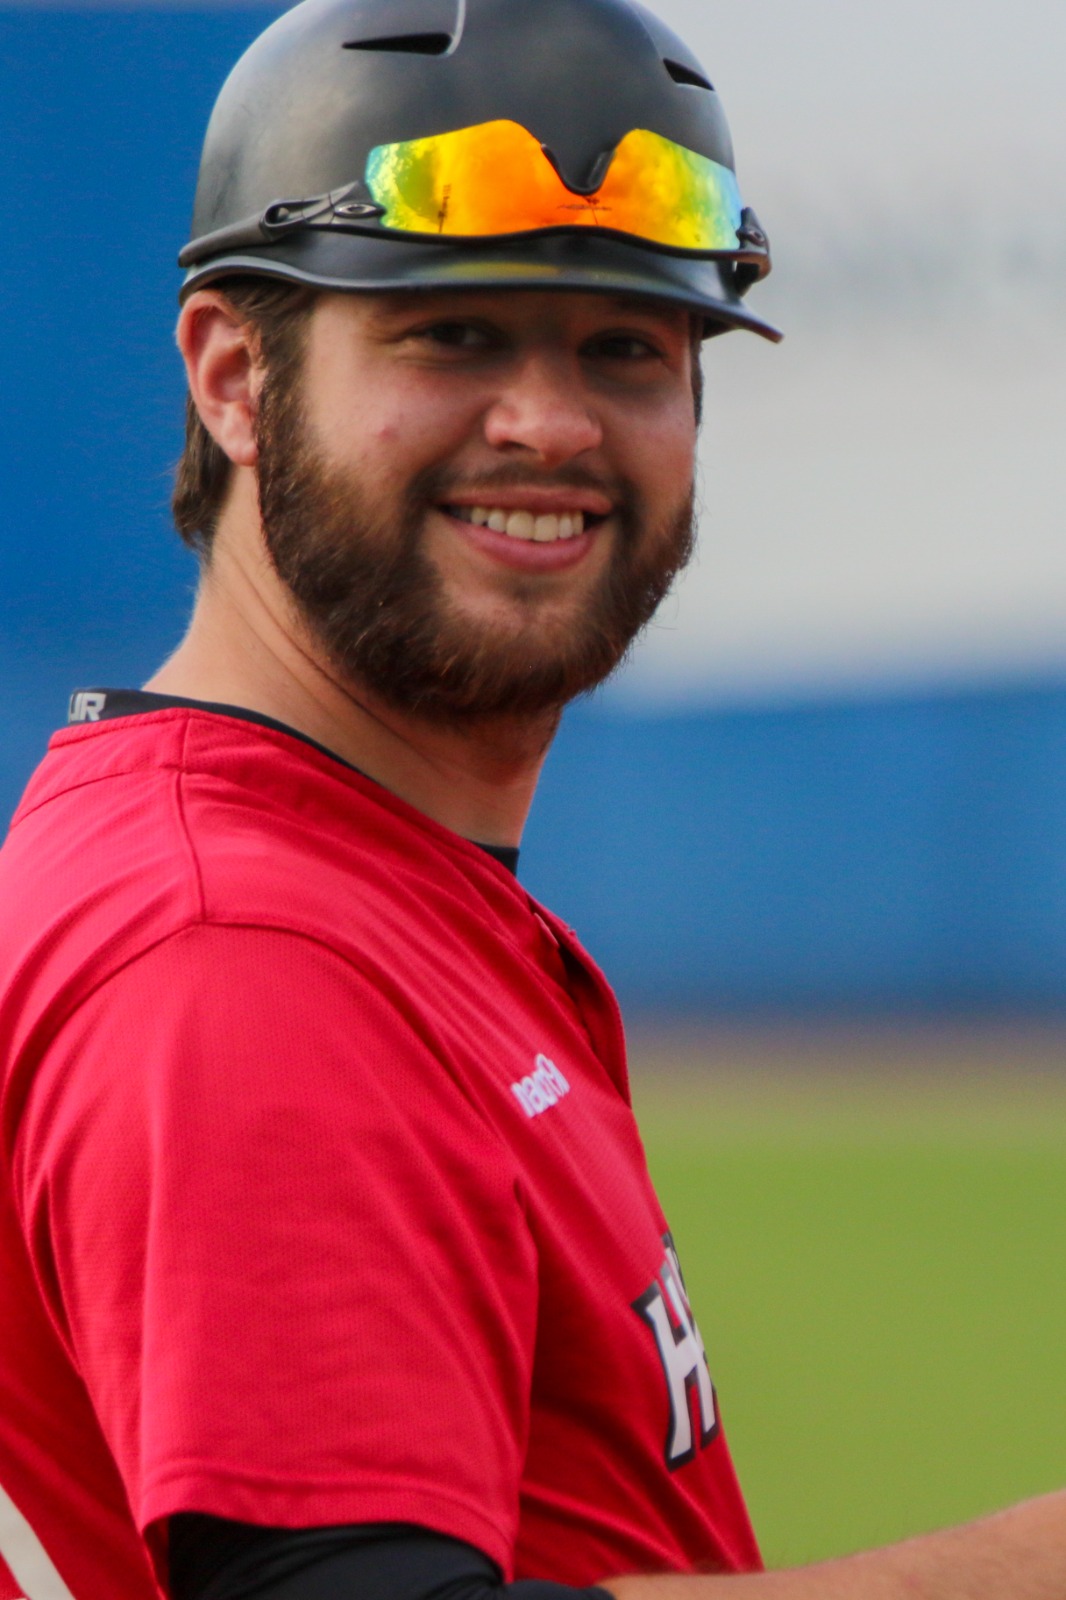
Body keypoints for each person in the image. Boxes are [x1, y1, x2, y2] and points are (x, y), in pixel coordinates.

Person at [0, 1, 1062, 1598]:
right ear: (232, 375)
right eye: (451, 333)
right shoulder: (237, 956)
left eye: (625, 350)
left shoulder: (334, 880)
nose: (550, 423)